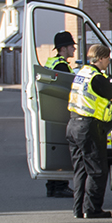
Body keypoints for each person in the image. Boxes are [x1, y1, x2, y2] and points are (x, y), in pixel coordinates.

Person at [67, 43, 112, 219]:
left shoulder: (81, 74)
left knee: (80, 170)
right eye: (108, 59)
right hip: (88, 128)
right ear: (101, 58)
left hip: (73, 126)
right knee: (97, 170)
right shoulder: (97, 78)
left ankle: (78, 209)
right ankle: (92, 209)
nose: (108, 62)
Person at [45, 31, 77, 198]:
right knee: (62, 148)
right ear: (63, 48)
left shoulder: (52, 62)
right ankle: (59, 186)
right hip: (61, 110)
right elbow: (68, 88)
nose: (74, 48)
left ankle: (52, 185)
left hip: (52, 109)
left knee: (54, 147)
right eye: (72, 46)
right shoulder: (61, 66)